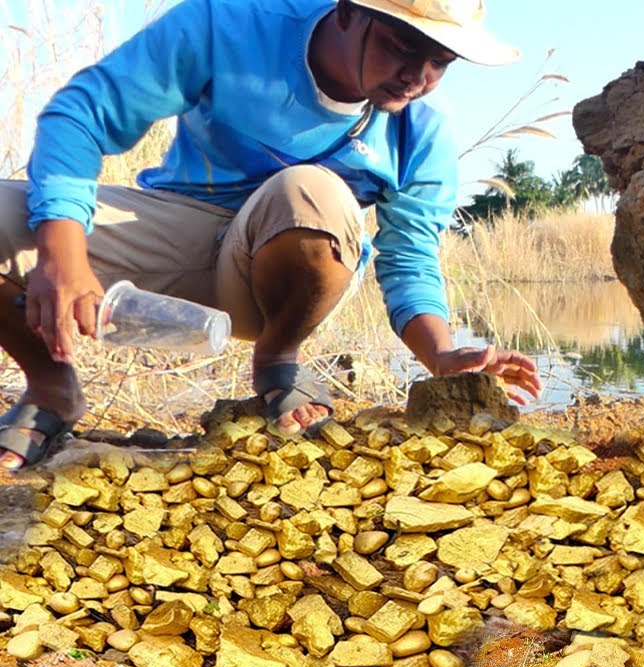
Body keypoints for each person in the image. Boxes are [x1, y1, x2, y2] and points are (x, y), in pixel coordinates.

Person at [0, 0, 543, 470]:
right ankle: (51, 389)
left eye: (441, 62)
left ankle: (278, 360)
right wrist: (61, 257)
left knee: (311, 189)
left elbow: (410, 257)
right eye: (402, 46)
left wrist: (442, 355)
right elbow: (81, 114)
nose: (417, 77)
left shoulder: (423, 130)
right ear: (349, 10)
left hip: (282, 269)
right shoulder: (230, 24)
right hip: (178, 224)